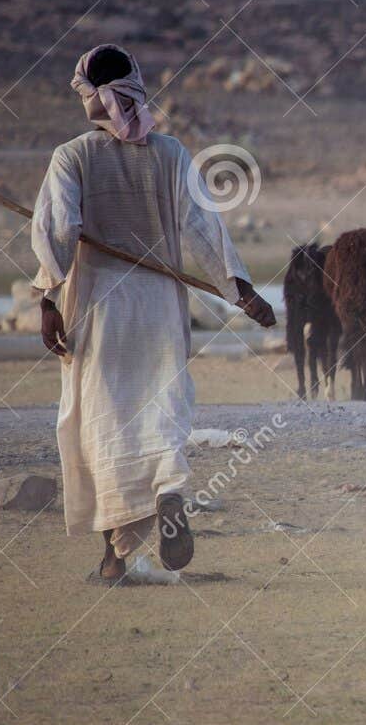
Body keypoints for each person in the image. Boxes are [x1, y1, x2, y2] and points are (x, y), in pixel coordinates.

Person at [31, 44, 276, 580]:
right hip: (161, 307)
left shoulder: (71, 157)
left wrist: (48, 299)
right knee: (161, 414)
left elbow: (59, 231)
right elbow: (204, 231)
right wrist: (242, 293)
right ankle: (168, 491)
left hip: (99, 310)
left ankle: (113, 559)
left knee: (105, 426)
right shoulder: (171, 153)